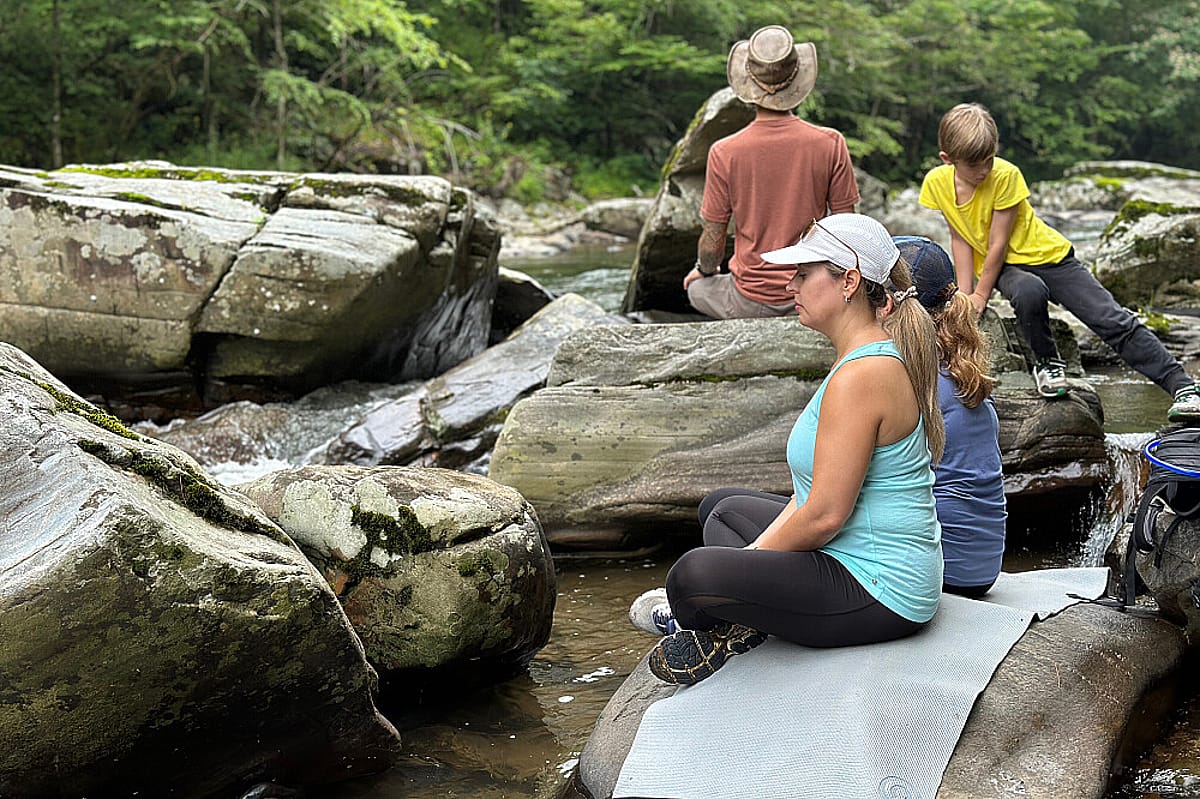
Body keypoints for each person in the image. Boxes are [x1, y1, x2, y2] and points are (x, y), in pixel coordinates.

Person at [631, 213, 945, 685]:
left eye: (803, 273)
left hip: (882, 590)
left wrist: (752, 561)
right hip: (850, 555)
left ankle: (715, 633)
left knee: (691, 577)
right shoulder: (861, 357)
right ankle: (741, 622)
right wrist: (757, 564)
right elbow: (815, 495)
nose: (789, 286)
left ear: (849, 281)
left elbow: (824, 516)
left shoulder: (864, 374)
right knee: (721, 509)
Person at [918, 102, 1200, 420]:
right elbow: (960, 237)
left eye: (989, 159)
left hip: (1049, 256)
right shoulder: (937, 183)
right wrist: (967, 296)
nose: (984, 170)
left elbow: (998, 243)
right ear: (947, 159)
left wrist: (982, 296)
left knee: (1108, 318)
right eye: (975, 165)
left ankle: (1183, 388)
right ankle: (1048, 364)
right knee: (1028, 292)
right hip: (1007, 269)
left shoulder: (1006, 175)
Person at [685, 25, 860, 320]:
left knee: (696, 290)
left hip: (748, 300)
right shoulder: (830, 143)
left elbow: (713, 240)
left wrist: (703, 271)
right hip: (812, 295)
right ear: (798, 83)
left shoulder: (724, 151)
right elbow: (848, 230)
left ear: (749, 86)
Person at [896, 236, 1006, 596]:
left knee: (731, 513)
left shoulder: (914, 379)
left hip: (946, 570)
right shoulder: (957, 368)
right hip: (982, 565)